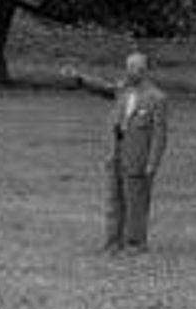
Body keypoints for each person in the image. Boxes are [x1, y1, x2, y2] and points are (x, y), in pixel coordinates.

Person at [64, 52, 168, 254]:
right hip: (115, 153)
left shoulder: (157, 98)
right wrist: (79, 78)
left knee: (136, 201)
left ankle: (135, 243)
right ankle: (112, 241)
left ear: (144, 71)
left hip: (138, 156)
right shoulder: (122, 89)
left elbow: (160, 134)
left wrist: (153, 162)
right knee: (113, 200)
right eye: (128, 67)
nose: (130, 72)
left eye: (135, 68)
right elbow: (102, 88)